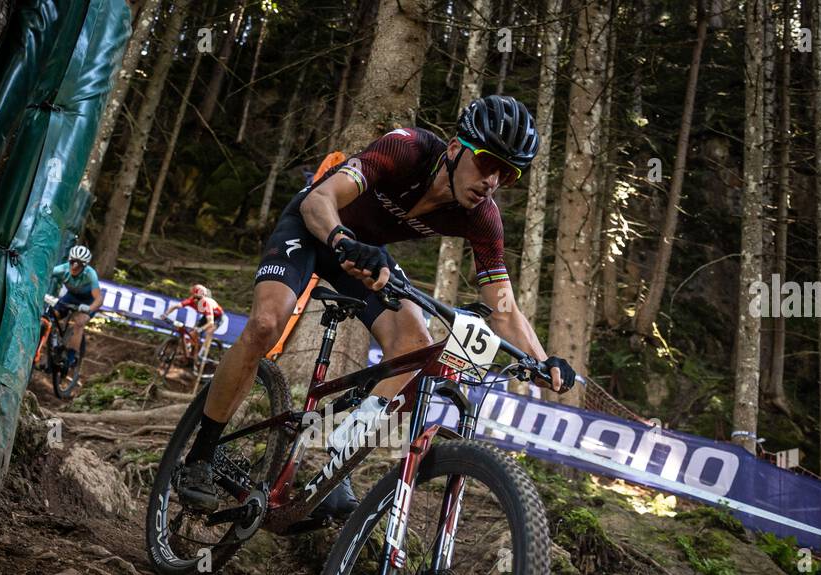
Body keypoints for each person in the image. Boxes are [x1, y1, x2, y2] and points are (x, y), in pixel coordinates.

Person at [177, 94, 574, 519]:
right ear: (456, 149)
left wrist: (542, 360)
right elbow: (318, 200)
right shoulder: (408, 149)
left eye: (507, 173)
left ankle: (335, 463)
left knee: (413, 344)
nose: (492, 180)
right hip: (316, 228)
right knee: (265, 325)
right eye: (486, 161)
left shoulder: (482, 216)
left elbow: (504, 308)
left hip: (365, 254)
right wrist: (342, 240)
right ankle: (199, 456)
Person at [48, 244, 103, 369]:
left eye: (80, 263)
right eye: (73, 261)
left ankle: (71, 358)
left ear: (85, 265)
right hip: (71, 297)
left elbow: (99, 299)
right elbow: (44, 275)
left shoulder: (90, 274)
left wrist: (89, 309)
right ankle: (53, 344)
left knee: (79, 323)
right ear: (69, 260)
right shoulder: (62, 269)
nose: (75, 266)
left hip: (88, 302)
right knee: (51, 316)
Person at [160, 283, 224, 367]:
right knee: (193, 333)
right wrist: (165, 314)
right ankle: (190, 351)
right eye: (195, 297)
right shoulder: (191, 300)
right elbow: (175, 306)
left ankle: (202, 354)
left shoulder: (206, 304)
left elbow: (211, 322)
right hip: (206, 316)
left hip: (217, 317)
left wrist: (201, 329)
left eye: (199, 298)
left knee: (209, 331)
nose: (197, 300)